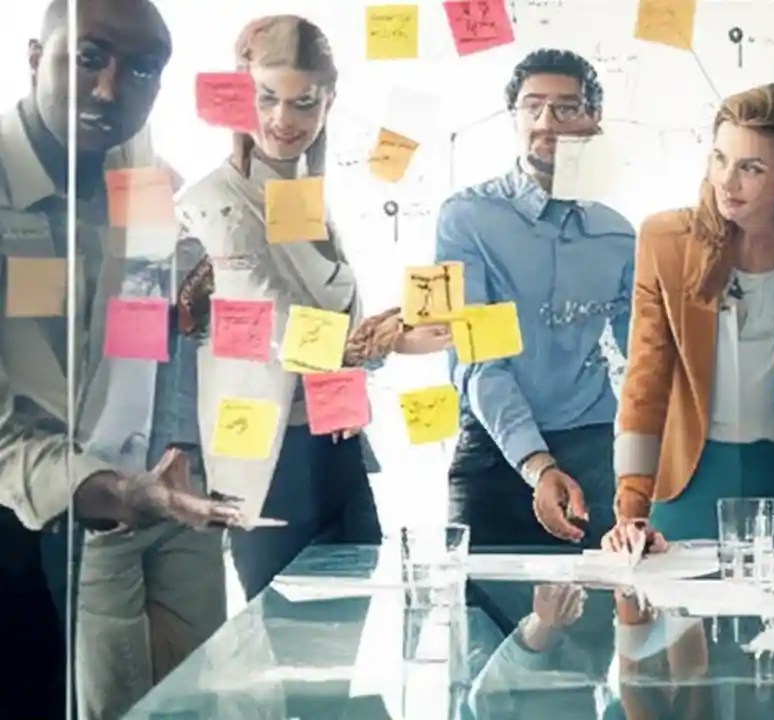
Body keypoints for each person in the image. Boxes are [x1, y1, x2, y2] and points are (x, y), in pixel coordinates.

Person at [0, 0, 239, 716]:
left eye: (141, 69)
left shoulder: (149, 180)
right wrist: (118, 491)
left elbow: (171, 324)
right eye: (89, 56)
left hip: (117, 512)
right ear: (37, 56)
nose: (110, 89)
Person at [177, 15, 450, 600]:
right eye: (267, 98)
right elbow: (278, 332)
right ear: (238, 92)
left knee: (351, 663)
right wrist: (389, 337)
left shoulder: (308, 202)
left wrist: (381, 332)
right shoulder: (212, 204)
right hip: (267, 466)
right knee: (284, 660)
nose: (283, 120)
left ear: (329, 101)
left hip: (336, 450)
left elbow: (335, 330)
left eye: (304, 102)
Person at [604, 83, 774, 551]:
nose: (727, 181)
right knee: (679, 620)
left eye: (751, 168)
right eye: (720, 158)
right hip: (685, 479)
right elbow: (647, 377)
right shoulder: (665, 242)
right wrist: (631, 503)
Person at [436, 49, 634, 549]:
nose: (547, 122)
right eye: (533, 107)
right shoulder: (466, 218)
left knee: (593, 622)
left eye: (566, 108)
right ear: (514, 117)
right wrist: (536, 463)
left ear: (594, 120)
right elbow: (476, 358)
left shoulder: (619, 234)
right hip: (495, 451)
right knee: (482, 622)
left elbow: (642, 362)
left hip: (593, 450)